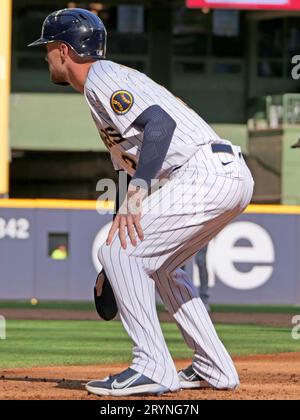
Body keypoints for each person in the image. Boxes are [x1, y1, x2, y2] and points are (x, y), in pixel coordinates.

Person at [28, 8, 254, 397]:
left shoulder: (103, 78)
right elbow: (131, 167)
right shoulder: (102, 87)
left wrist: (134, 205)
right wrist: (118, 248)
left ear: (64, 50)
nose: (46, 56)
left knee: (119, 254)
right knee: (158, 267)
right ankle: (212, 367)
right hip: (222, 175)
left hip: (203, 173)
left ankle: (152, 367)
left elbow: (160, 125)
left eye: (48, 48)